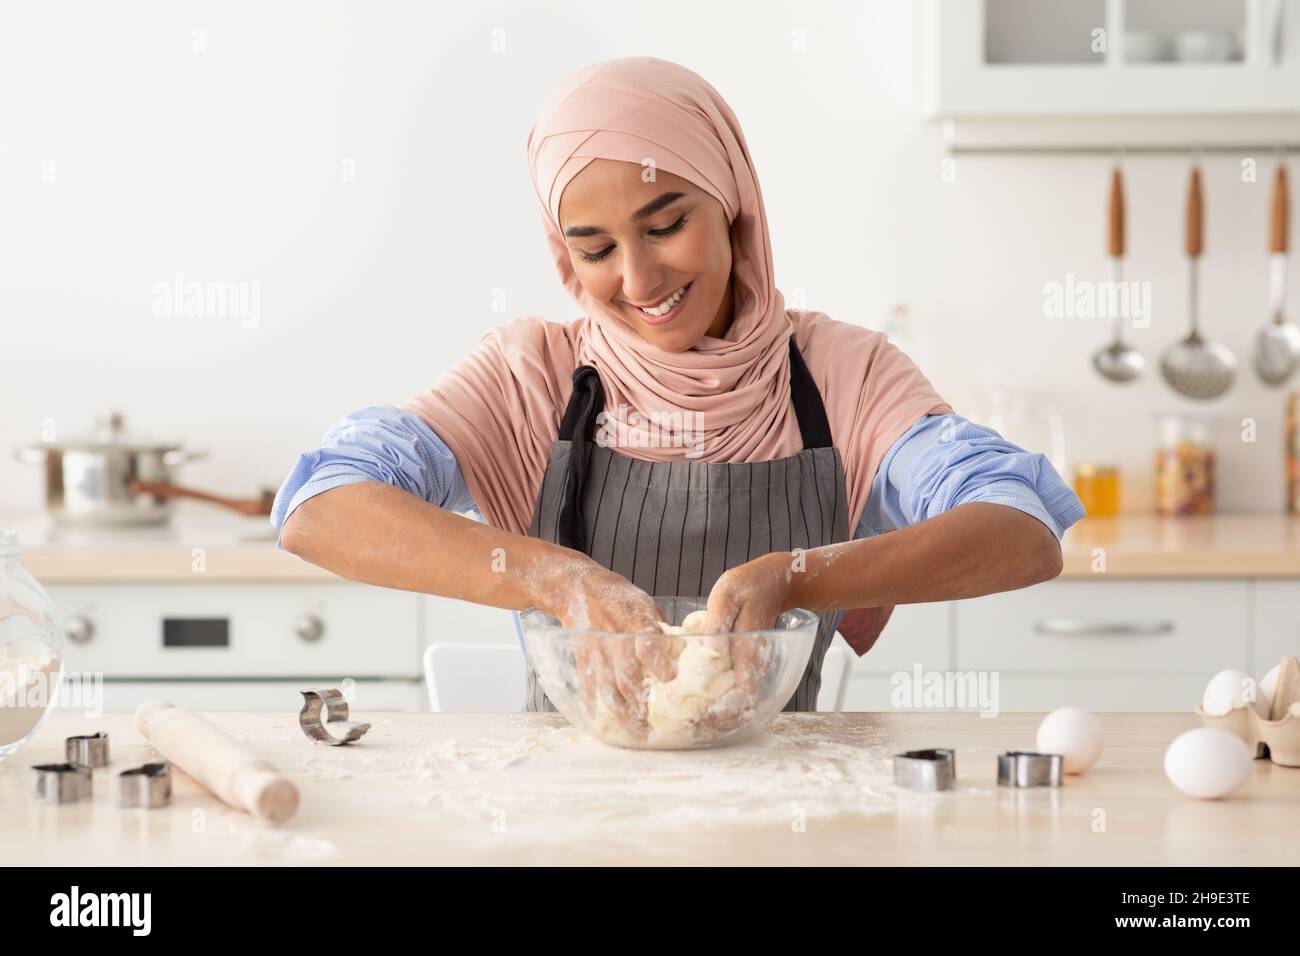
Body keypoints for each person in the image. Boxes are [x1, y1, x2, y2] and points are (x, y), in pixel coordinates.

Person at [272, 57, 1084, 727]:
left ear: (732, 201)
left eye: (665, 226)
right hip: (567, 812)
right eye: (595, 249)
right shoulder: (528, 377)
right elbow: (321, 506)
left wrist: (796, 578)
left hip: (789, 803)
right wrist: (559, 581)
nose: (639, 279)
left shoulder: (844, 372)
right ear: (565, 257)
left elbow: (1020, 528)